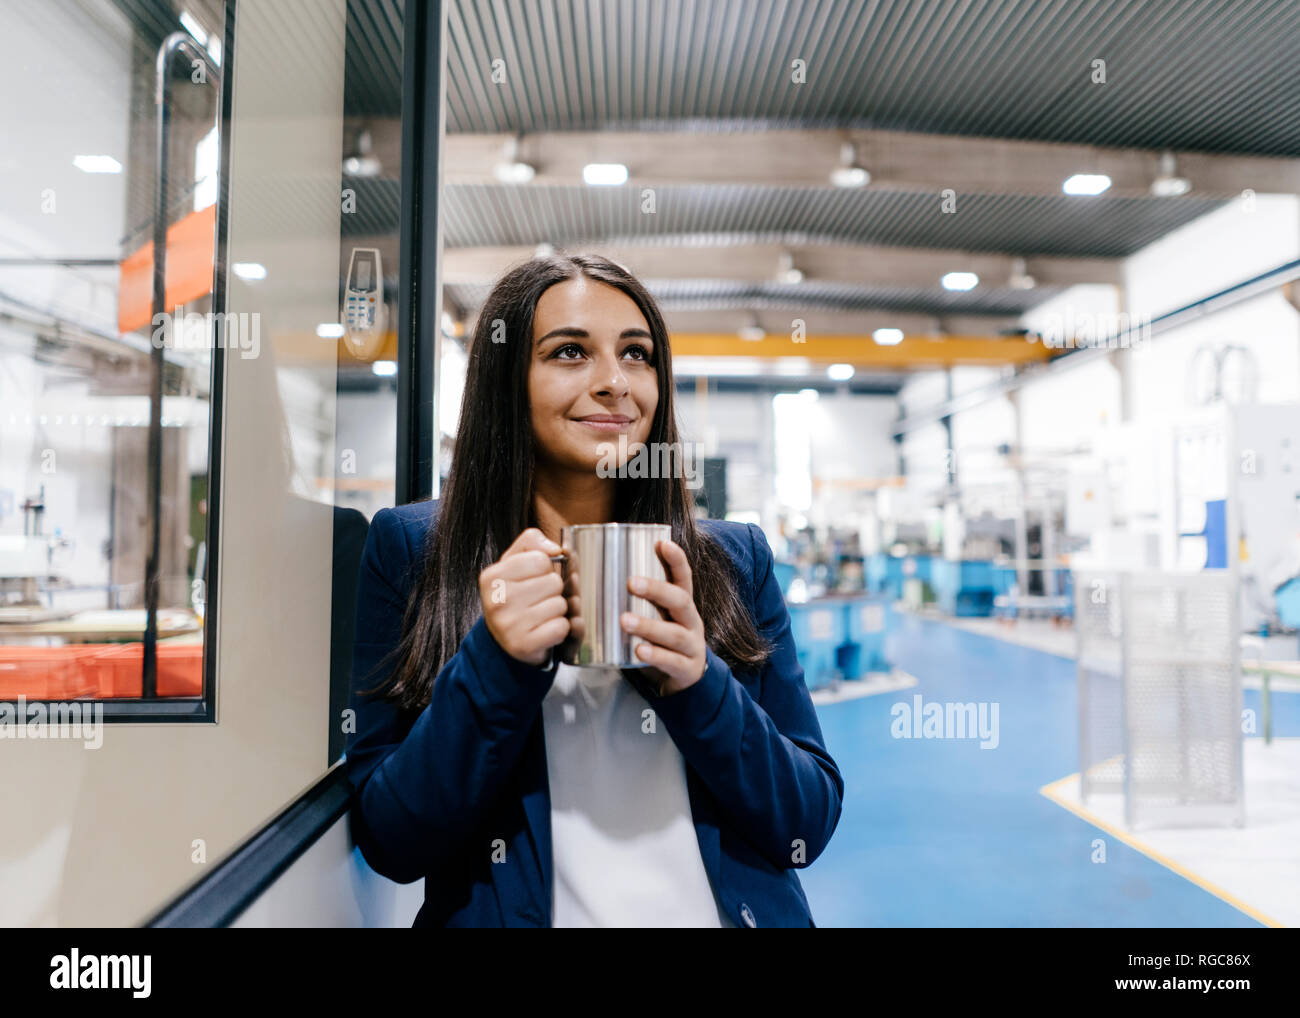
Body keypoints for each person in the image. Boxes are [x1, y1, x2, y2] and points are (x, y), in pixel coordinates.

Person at [345, 252, 844, 928]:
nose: (615, 382)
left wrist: (700, 684)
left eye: (637, 355)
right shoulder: (414, 551)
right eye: (571, 352)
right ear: (506, 380)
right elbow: (393, 840)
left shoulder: (732, 561)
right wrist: (496, 663)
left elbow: (806, 822)